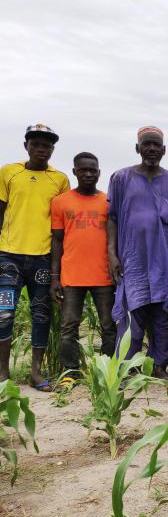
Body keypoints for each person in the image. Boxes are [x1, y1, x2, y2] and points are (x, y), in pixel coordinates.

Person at [107, 126, 168, 385]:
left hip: (166, 262)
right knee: (132, 314)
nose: (152, 149)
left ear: (164, 150)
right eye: (147, 144)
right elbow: (112, 219)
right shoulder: (120, 179)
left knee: (164, 314)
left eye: (156, 145)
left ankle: (159, 367)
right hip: (133, 260)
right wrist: (112, 253)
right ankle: (126, 368)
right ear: (138, 148)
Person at [0, 124, 69, 390]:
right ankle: (4, 373)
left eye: (47, 146)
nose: (42, 150)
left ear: (52, 149)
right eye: (36, 144)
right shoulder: (9, 172)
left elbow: (59, 226)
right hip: (8, 257)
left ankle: (36, 373)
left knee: (41, 314)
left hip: (42, 258)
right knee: (4, 313)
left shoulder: (59, 180)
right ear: (26, 146)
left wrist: (57, 269)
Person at [50, 152, 116, 377]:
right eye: (83, 170)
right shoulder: (60, 202)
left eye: (93, 170)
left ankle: (107, 371)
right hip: (72, 276)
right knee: (69, 328)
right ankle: (70, 373)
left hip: (104, 276)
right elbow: (57, 241)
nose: (88, 174)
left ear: (99, 172)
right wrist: (55, 277)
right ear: (74, 172)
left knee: (109, 327)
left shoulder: (108, 202)